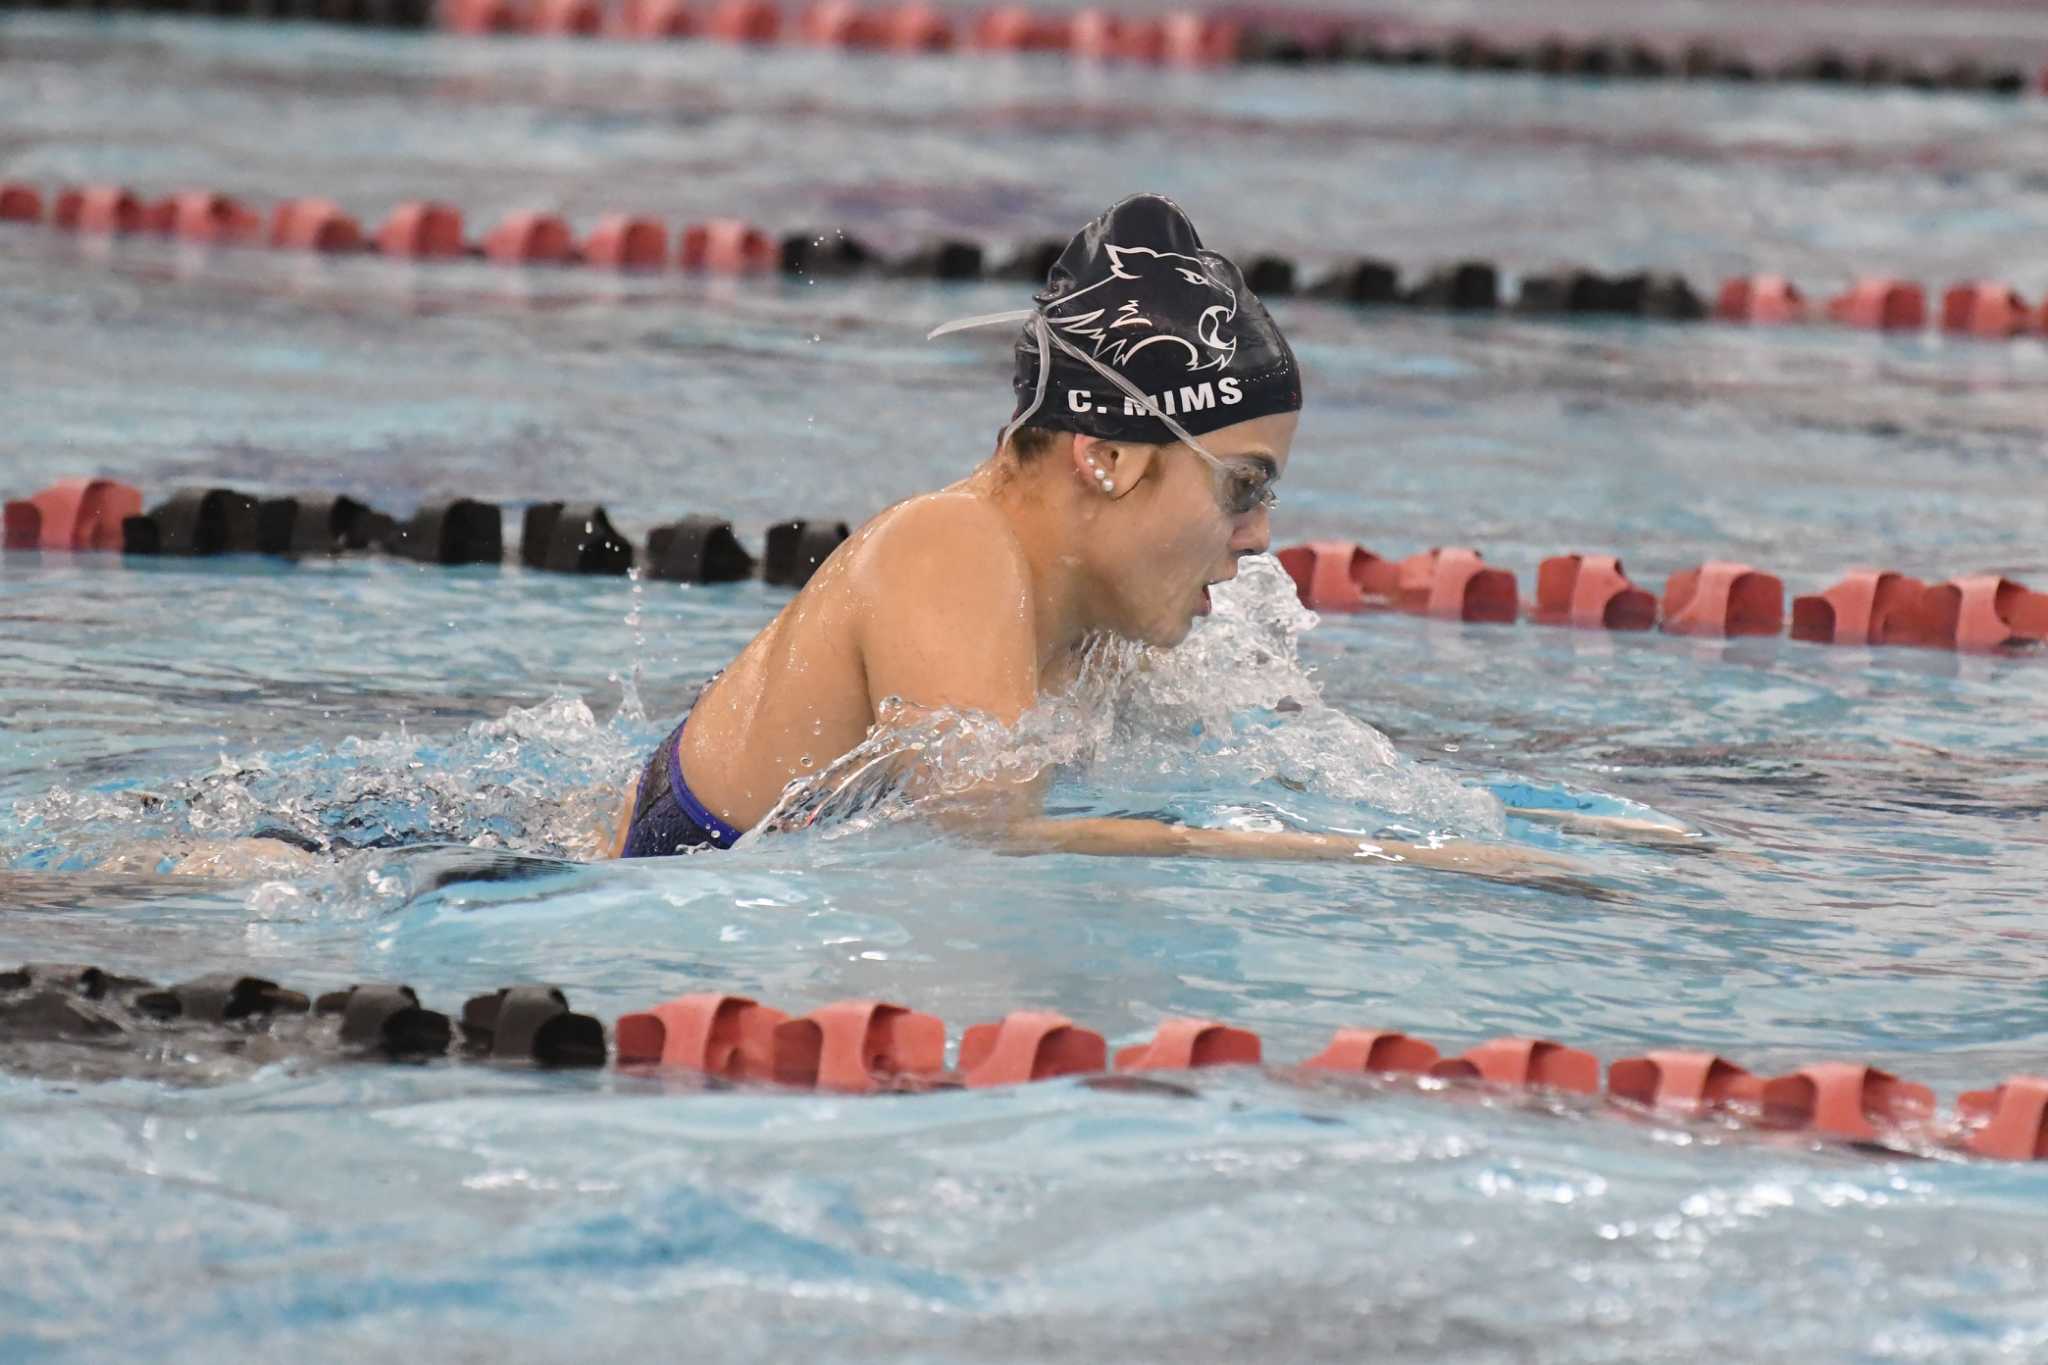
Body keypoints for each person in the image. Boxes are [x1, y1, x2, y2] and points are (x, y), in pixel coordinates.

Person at [611, 193, 1616, 881]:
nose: (1259, 538)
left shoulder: (1094, 623)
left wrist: (1603, 835)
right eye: (1241, 489)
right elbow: (979, 847)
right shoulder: (945, 549)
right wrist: (1404, 865)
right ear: (1110, 458)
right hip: (618, 914)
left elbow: (1316, 773)